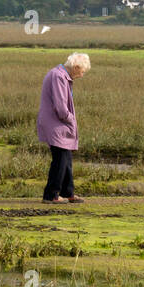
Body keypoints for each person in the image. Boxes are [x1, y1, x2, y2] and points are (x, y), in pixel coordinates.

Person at [38, 52, 90, 203]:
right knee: (60, 160)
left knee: (66, 159)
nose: (81, 75)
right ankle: (51, 195)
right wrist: (71, 119)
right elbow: (61, 109)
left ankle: (68, 193)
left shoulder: (61, 75)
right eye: (82, 71)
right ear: (76, 67)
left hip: (58, 124)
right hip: (55, 124)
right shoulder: (59, 77)